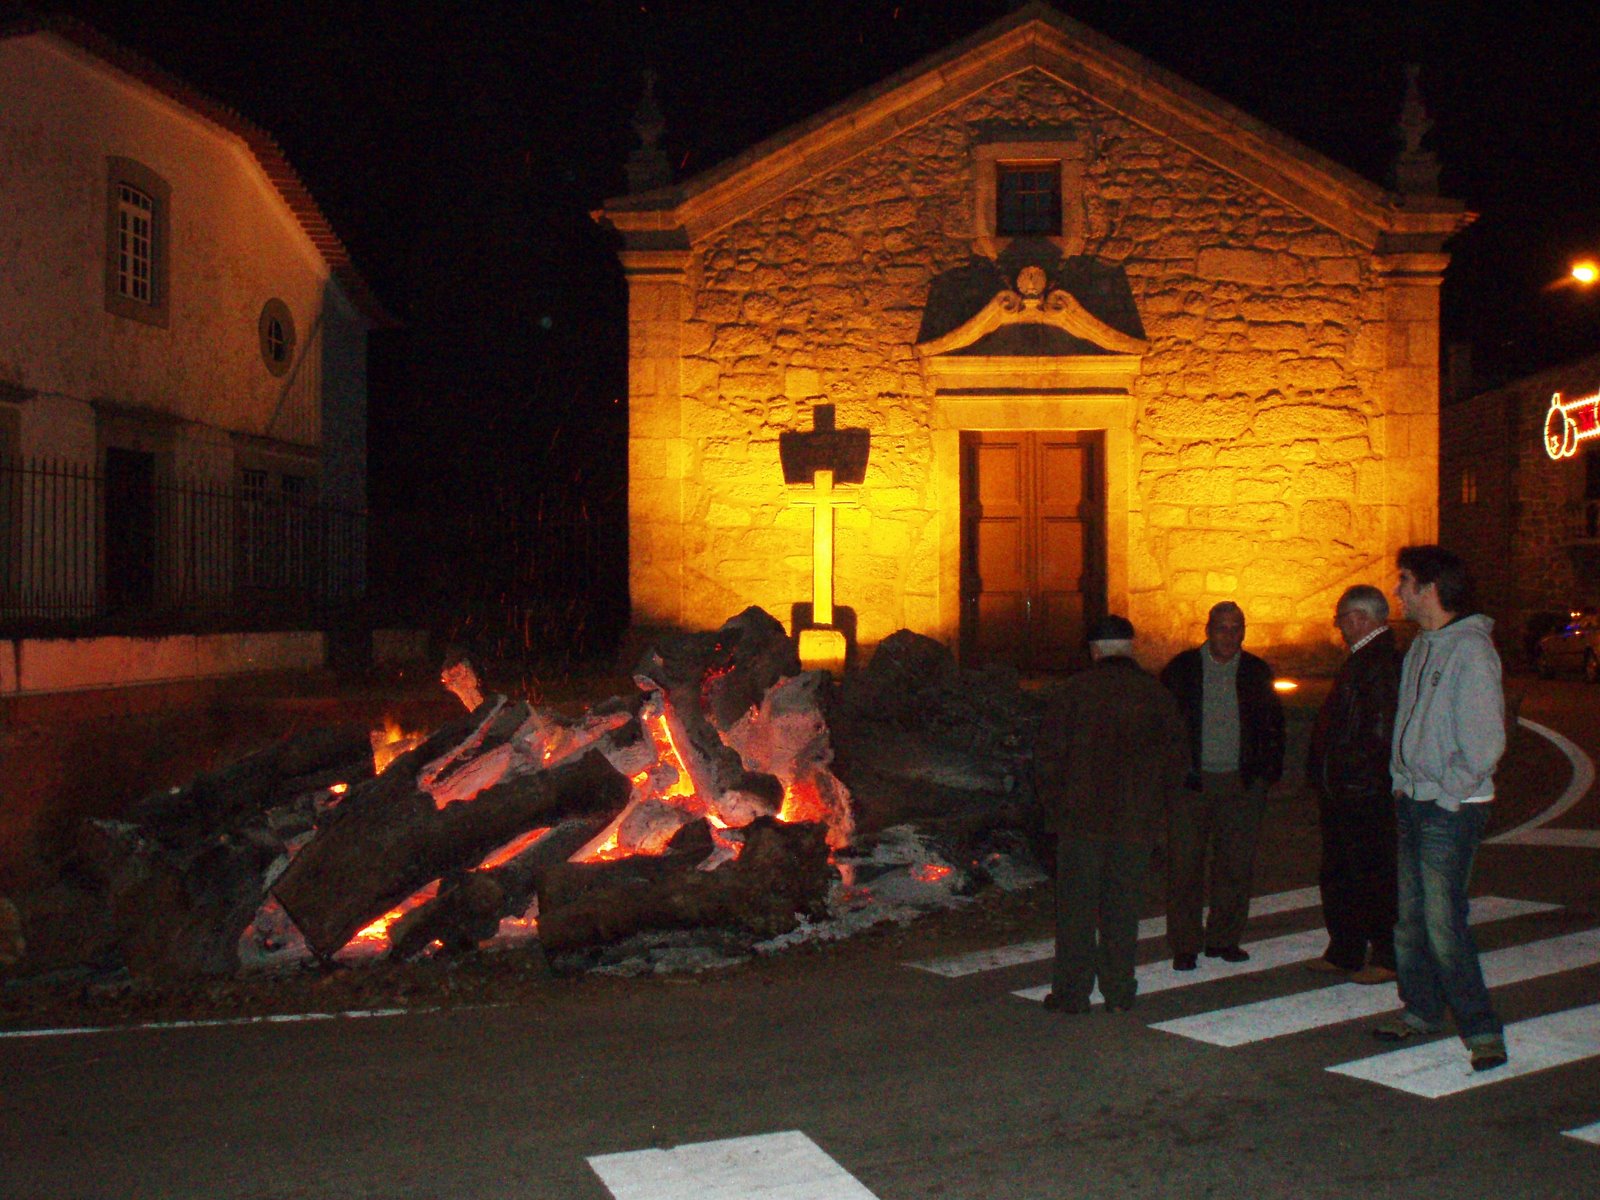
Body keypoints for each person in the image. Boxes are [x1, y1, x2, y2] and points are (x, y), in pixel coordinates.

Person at [1374, 545, 1508, 1071]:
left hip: (1450, 808)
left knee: (1443, 924)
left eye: (1404, 580)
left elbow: (1484, 744)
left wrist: (1447, 793)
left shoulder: (1470, 651)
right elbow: (1409, 723)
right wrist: (1402, 781)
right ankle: (1422, 1010)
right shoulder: (1424, 646)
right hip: (1415, 799)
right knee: (1409, 921)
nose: (1397, 590)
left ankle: (1482, 1032)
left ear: (1430, 588)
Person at [1035, 615, 1188, 1012]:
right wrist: (1158, 812)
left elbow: (1048, 760)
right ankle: (1119, 991)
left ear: (1095, 650)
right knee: (1123, 910)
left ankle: (1072, 992)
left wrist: (1054, 810)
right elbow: (1176, 761)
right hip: (1135, 823)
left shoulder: (1072, 693)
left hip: (1081, 822)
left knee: (1077, 911)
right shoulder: (1155, 695)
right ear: (1130, 648)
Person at [1160, 601, 1285, 970]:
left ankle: (1224, 938)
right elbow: (1164, 726)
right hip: (1191, 784)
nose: (1230, 636)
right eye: (1223, 628)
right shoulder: (1182, 671)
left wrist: (1265, 774)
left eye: (1237, 628)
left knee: (1235, 864)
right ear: (1208, 630)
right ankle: (1185, 943)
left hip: (1240, 782)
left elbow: (1272, 726)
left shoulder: (1255, 672)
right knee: (1185, 866)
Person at [1305, 585, 1400, 983]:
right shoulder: (1366, 660)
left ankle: (1386, 954)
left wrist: (1354, 780)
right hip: (1349, 790)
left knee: (1372, 874)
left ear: (1360, 618)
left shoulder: (1377, 663)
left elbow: (1379, 732)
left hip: (1362, 793)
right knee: (1344, 872)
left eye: (1342, 618)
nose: (1339, 626)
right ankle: (1346, 948)